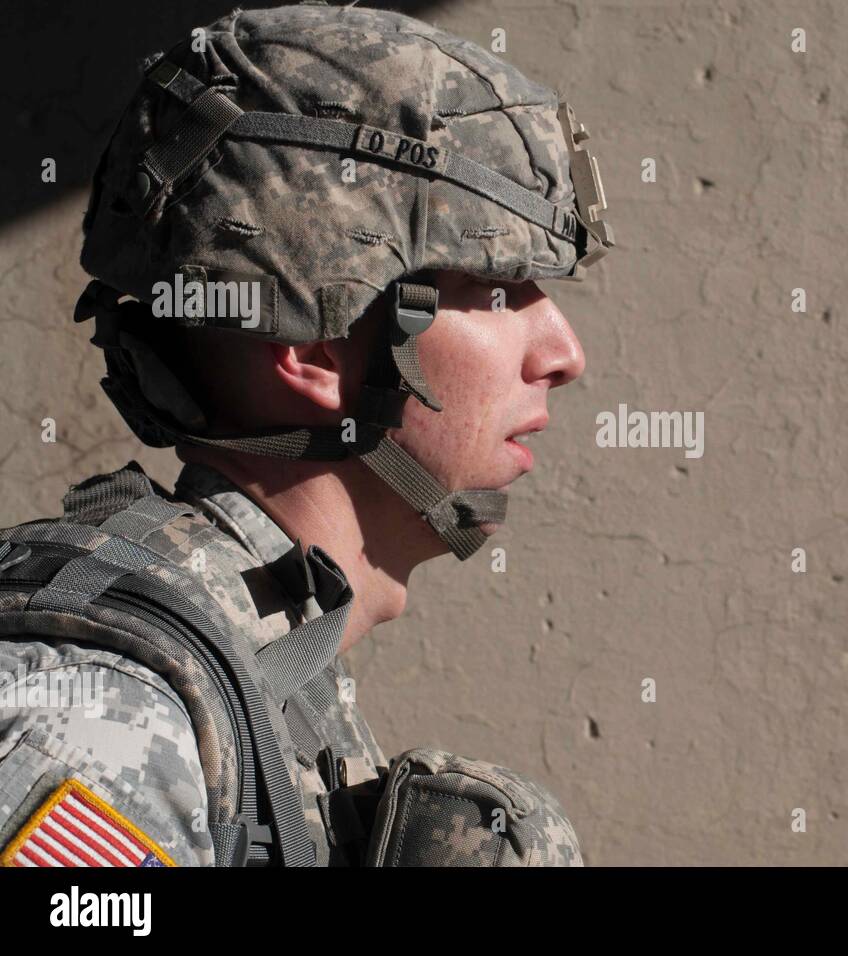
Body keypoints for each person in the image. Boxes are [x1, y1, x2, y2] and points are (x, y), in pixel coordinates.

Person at [0, 2, 613, 867]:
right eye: (502, 288)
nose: (564, 354)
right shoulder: (102, 718)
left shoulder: (268, 650)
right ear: (319, 349)